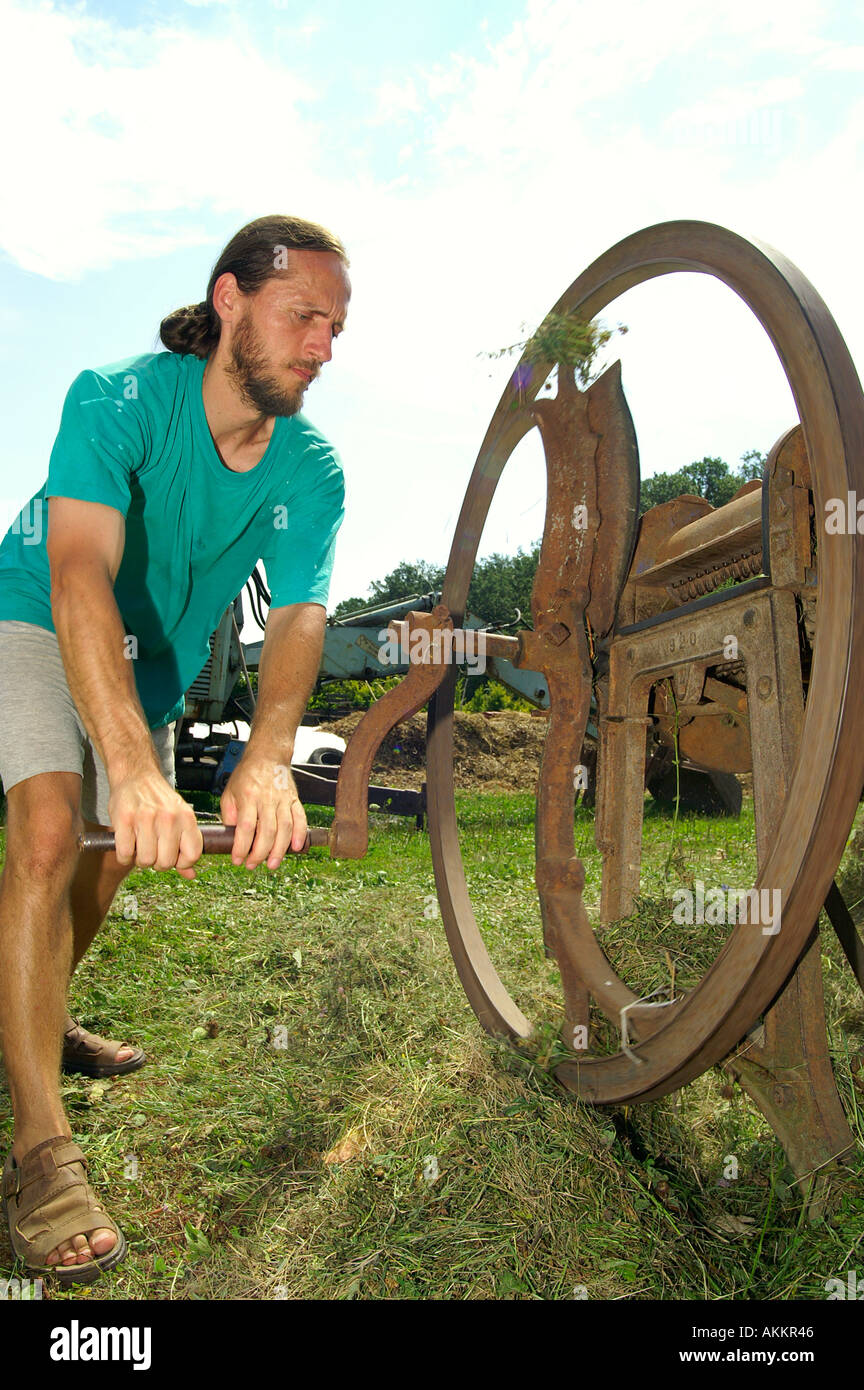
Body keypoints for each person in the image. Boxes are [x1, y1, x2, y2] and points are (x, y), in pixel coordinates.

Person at [0, 214, 351, 1285]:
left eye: (338, 328)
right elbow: (77, 575)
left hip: (144, 662)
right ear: (232, 299)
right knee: (57, 830)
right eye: (305, 316)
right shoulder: (114, 399)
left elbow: (297, 616)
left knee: (109, 857)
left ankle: (40, 1016)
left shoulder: (313, 468)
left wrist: (267, 755)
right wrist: (137, 762)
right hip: (35, 610)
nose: (324, 346)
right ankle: (37, 1148)